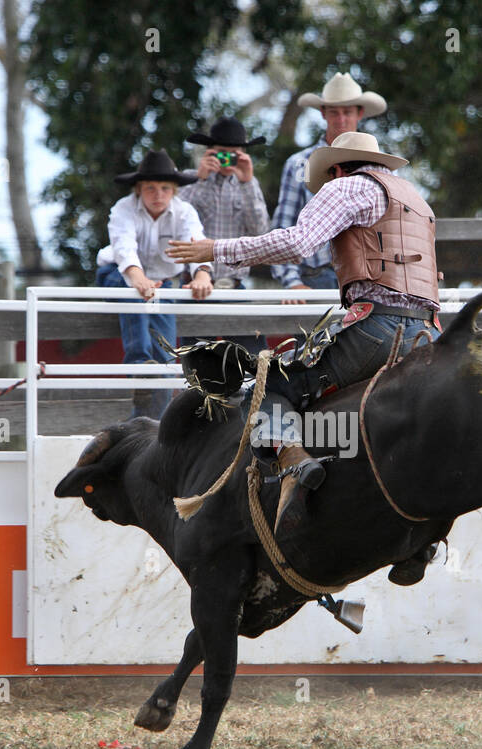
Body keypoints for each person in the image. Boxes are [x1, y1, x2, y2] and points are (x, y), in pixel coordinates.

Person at [168, 131, 438, 547]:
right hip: (428, 336)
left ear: (335, 167)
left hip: (378, 329)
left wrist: (216, 250)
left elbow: (297, 243)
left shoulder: (347, 186)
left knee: (272, 385)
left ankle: (295, 460)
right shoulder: (415, 200)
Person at [96, 149, 213, 420]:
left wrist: (202, 275)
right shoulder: (123, 208)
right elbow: (123, 247)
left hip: (162, 284)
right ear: (138, 189)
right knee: (132, 295)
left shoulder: (185, 212)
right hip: (118, 273)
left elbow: (196, 244)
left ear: (173, 190)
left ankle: (149, 425)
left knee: (164, 356)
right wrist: (139, 280)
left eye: (164, 188)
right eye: (150, 188)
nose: (158, 194)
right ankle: (139, 366)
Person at [270, 72, 386, 298]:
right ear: (323, 113)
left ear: (359, 113)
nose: (341, 119)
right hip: (315, 275)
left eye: (347, 112)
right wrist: (292, 282)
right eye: (334, 112)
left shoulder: (379, 165)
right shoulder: (299, 164)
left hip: (368, 276)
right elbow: (285, 223)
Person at [180, 117, 270, 353]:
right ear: (211, 152)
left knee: (253, 356)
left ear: (243, 154)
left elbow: (260, 231)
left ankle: (255, 391)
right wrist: (200, 179)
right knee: (196, 359)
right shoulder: (189, 178)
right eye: (223, 153)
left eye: (235, 153)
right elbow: (177, 223)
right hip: (194, 286)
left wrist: (248, 180)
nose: (228, 159)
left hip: (234, 285)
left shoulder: (249, 183)